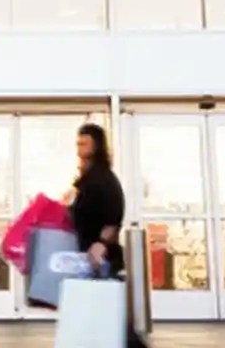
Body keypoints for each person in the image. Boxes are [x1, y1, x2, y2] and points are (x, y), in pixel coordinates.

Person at [68, 123, 148, 348]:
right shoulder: (88, 178)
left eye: (84, 144)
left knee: (112, 319)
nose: (79, 149)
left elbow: (114, 214)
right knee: (103, 317)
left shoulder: (103, 178)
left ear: (97, 146)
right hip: (90, 257)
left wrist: (101, 244)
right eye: (78, 144)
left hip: (102, 258)